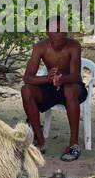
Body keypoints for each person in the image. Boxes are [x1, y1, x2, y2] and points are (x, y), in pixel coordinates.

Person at [21, 17, 87, 161]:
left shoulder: (74, 46)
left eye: (64, 30)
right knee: (26, 90)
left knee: (69, 89)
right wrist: (48, 79)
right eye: (56, 31)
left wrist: (61, 79)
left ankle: (74, 144)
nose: (61, 34)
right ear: (47, 32)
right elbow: (27, 77)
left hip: (72, 87)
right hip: (51, 86)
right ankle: (40, 142)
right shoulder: (40, 47)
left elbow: (76, 76)